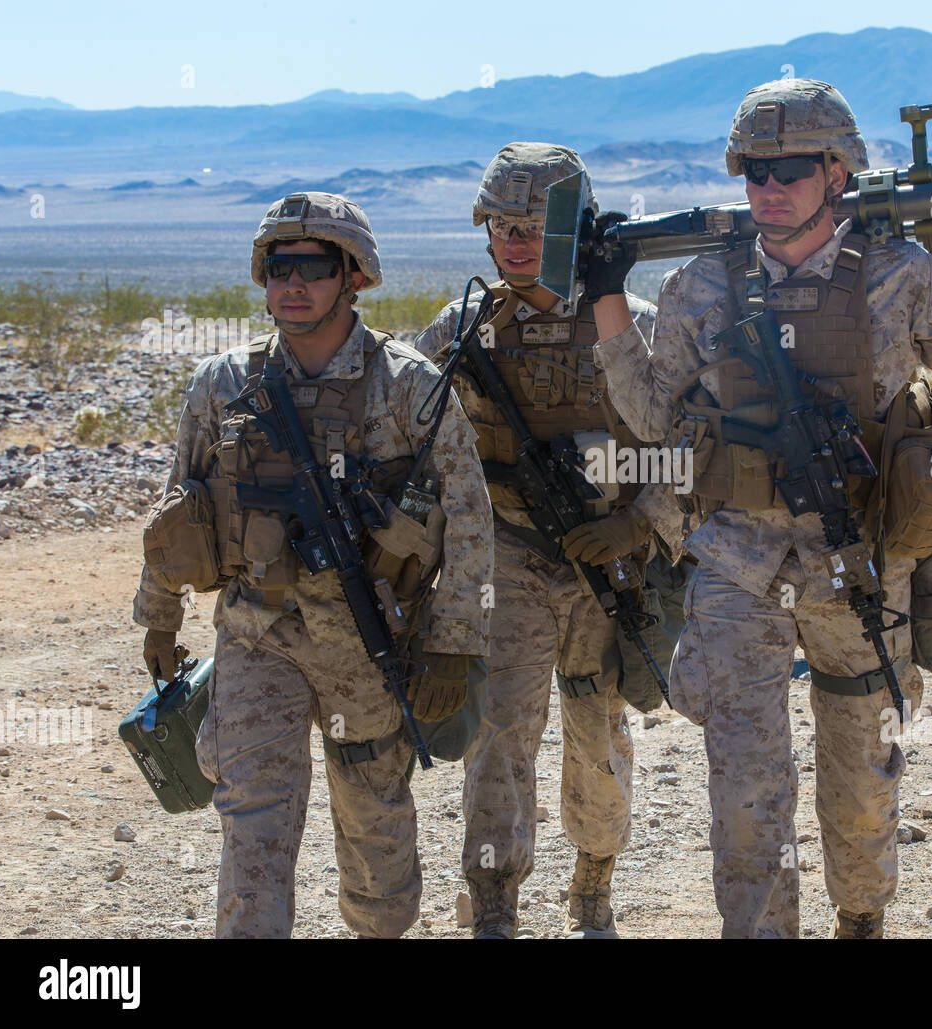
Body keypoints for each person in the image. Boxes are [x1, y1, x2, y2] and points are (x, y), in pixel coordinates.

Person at [590, 79, 932, 937]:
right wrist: (606, 295)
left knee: (863, 778)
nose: (767, 186)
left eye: (789, 167)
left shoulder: (904, 278)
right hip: (736, 563)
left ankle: (861, 915)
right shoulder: (699, 285)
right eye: (753, 169)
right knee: (746, 787)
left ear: (839, 173)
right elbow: (650, 414)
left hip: (861, 562)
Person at [134, 191, 494, 938]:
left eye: (313, 266)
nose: (291, 283)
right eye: (278, 267)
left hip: (366, 647)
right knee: (254, 822)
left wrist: (453, 643)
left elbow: (469, 517)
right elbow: (179, 509)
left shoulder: (408, 386)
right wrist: (160, 613)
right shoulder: (221, 385)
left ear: (354, 276)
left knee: (374, 828)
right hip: (256, 634)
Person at [416, 143, 678, 939]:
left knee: (597, 733)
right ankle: (494, 903)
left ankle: (593, 880)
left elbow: (687, 443)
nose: (517, 241)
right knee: (501, 733)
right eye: (502, 225)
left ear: (573, 230)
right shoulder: (461, 332)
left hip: (610, 567)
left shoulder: (627, 328)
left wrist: (639, 521)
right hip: (511, 564)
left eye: (534, 225)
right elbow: (410, 444)